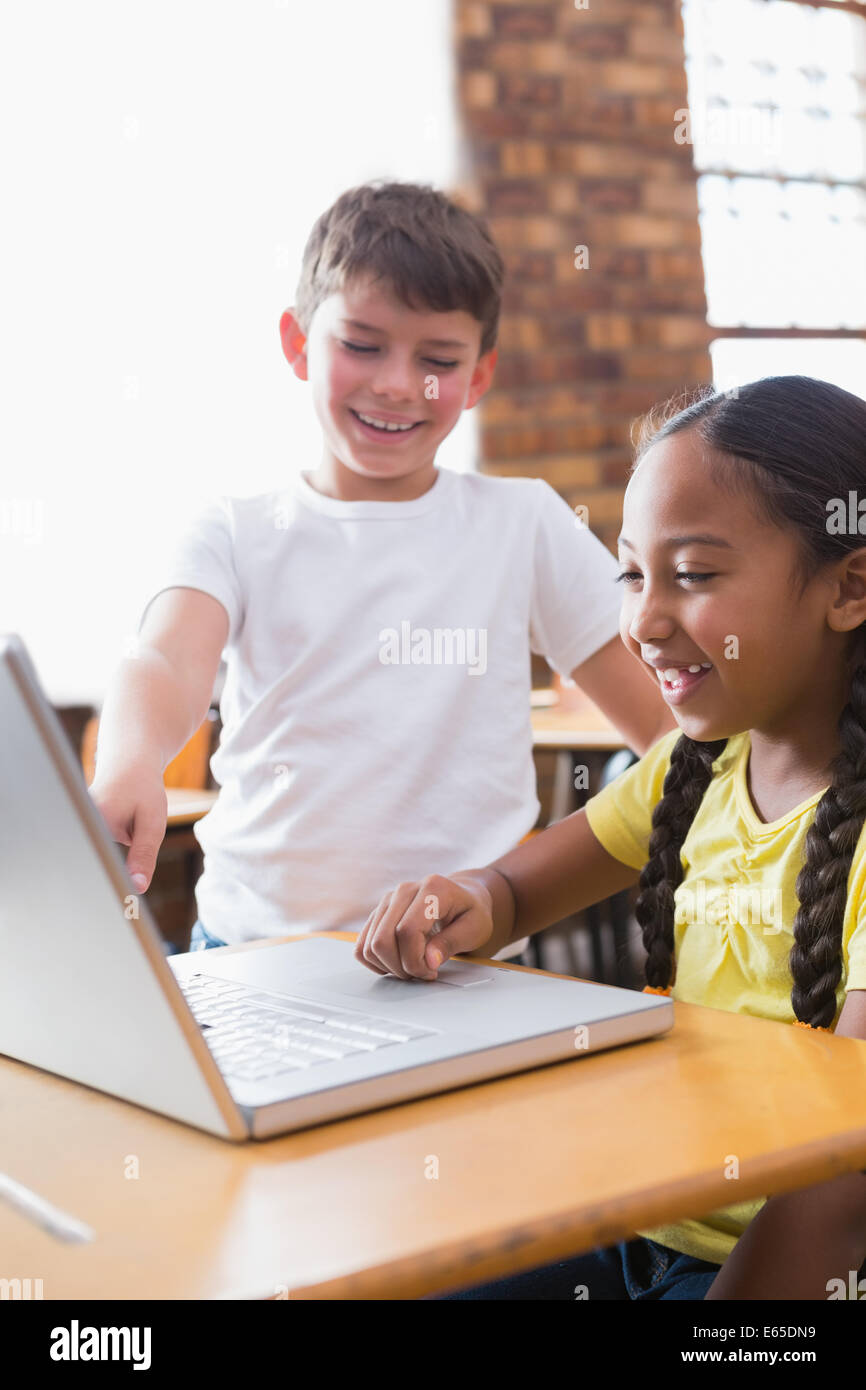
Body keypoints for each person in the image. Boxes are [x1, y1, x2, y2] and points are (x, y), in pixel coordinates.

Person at [357, 375, 866, 1300]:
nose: (643, 622)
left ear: (850, 587)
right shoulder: (690, 768)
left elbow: (844, 1180)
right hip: (635, 1224)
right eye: (632, 572)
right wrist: (463, 900)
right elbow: (513, 893)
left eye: (696, 575)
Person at [87, 180, 673, 959]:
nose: (399, 382)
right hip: (253, 955)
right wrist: (131, 759)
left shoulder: (523, 522)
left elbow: (666, 725)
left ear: (479, 377)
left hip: (465, 969)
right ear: (297, 343)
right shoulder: (237, 529)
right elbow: (162, 659)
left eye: (438, 358)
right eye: (362, 344)